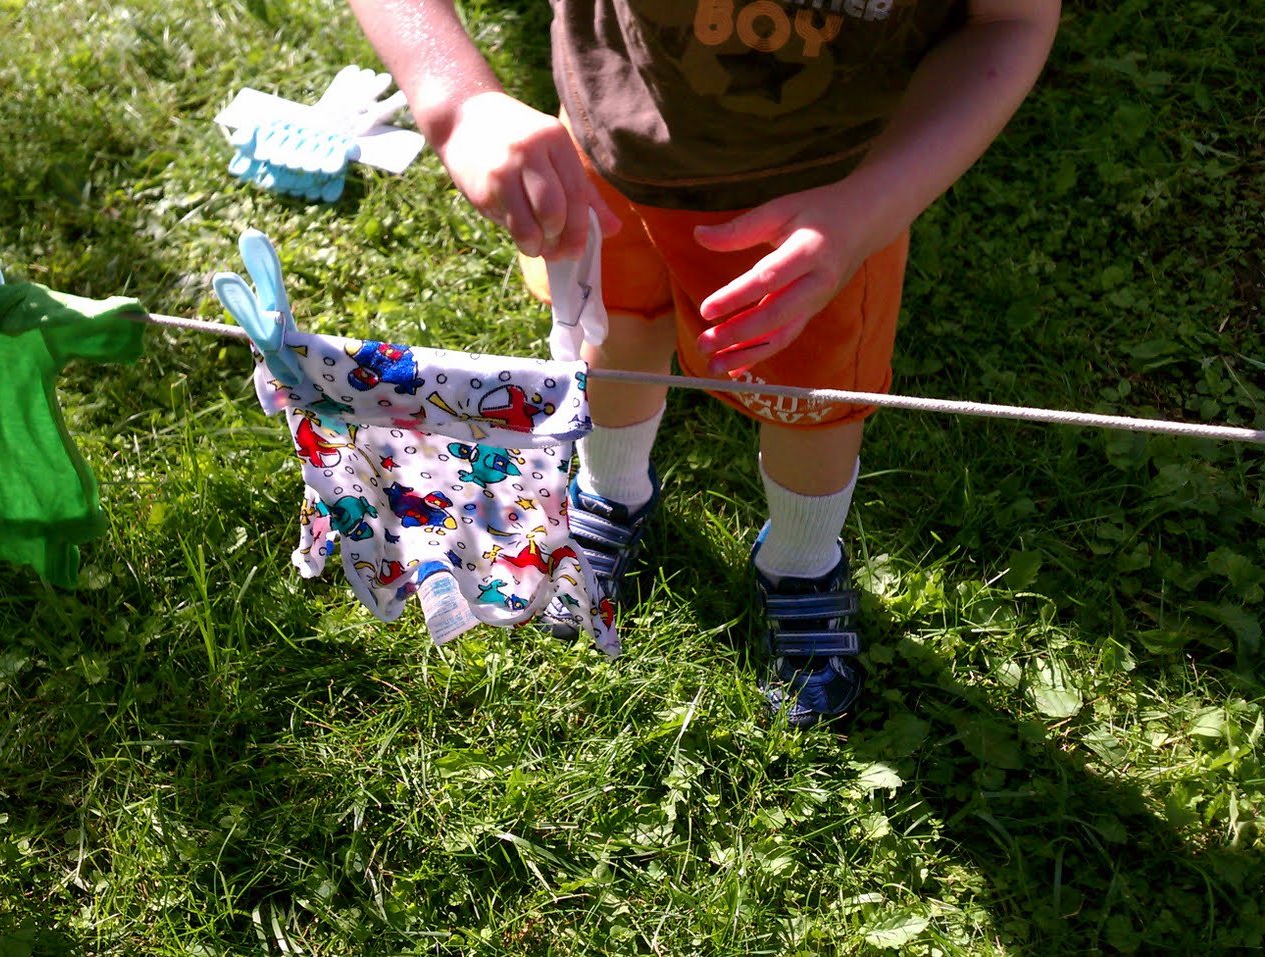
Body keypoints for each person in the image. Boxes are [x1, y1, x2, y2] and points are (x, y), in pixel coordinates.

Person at [344, 0, 1060, 726]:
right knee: (618, 331)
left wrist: (873, 203)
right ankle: (610, 490)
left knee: (808, 395)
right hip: (613, 142)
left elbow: (1007, 20)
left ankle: (802, 562)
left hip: (829, 203)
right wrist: (458, 105)